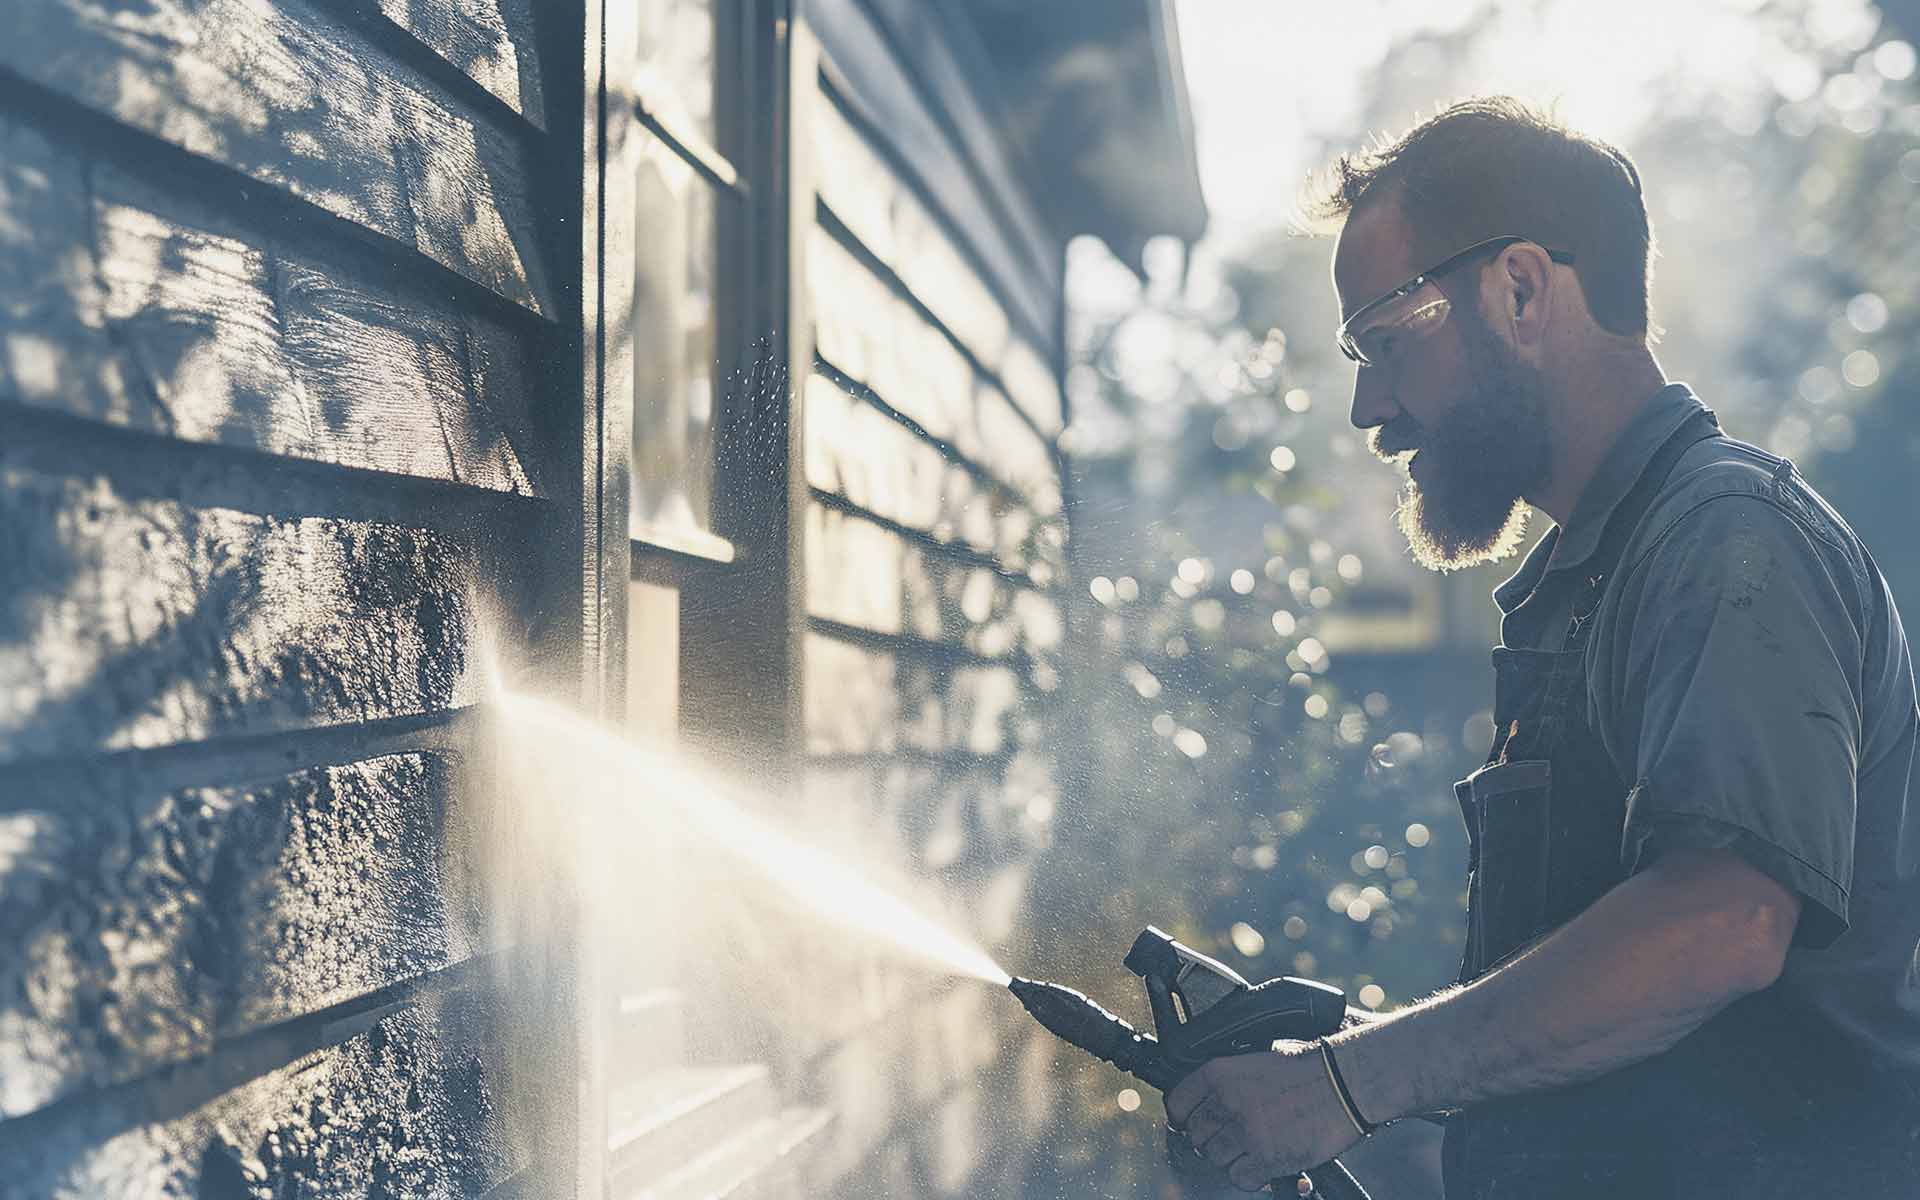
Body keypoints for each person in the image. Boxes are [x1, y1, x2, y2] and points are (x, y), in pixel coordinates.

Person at [1166, 97, 1920, 1198]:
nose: (1369, 406)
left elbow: (1722, 921)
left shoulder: (1726, 542)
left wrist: (1343, 1086)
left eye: (1385, 339)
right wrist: (1356, 1066)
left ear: (1520, 288)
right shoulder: (1601, 577)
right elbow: (1612, 1022)